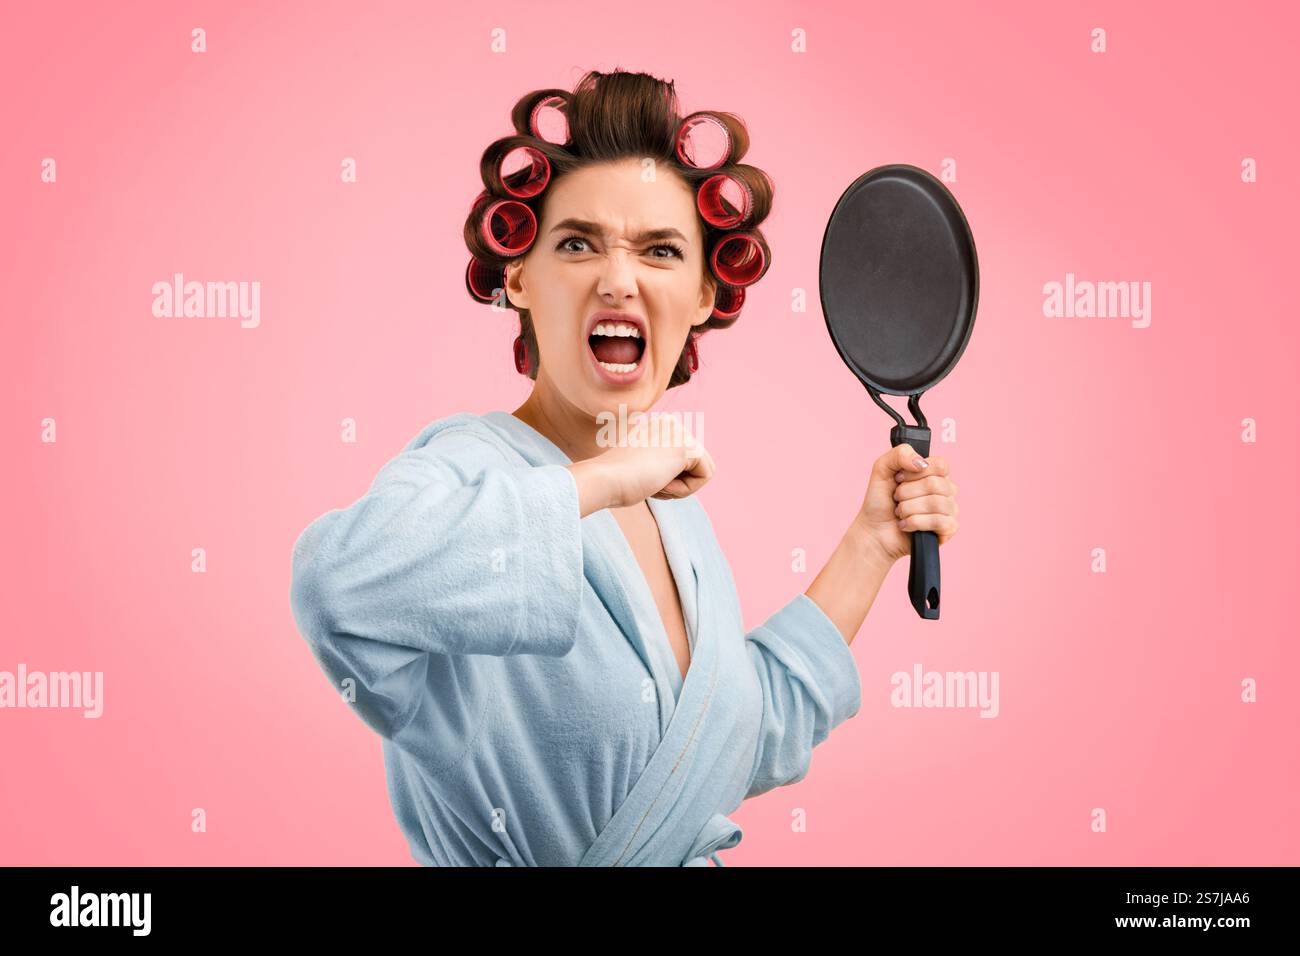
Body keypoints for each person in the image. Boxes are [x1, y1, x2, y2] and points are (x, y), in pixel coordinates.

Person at [289, 68, 959, 867]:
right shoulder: (464, 471)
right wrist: (601, 480)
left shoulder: (677, 517)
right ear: (518, 277)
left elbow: (725, 747)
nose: (617, 279)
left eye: (660, 251)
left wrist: (871, 543)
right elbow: (334, 588)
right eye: (577, 244)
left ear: (705, 291)